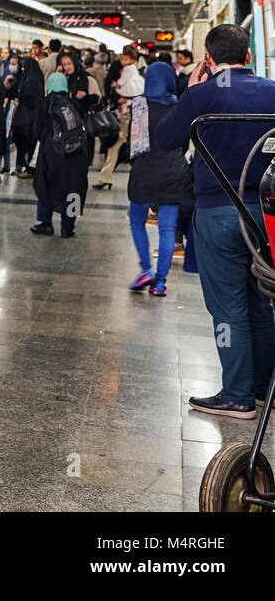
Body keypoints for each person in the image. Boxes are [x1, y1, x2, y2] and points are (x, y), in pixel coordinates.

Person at [156, 24, 275, 418]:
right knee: (261, 301)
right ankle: (263, 389)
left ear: (207, 59)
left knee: (228, 306)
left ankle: (237, 395)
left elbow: (165, 140)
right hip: (266, 213)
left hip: (218, 211)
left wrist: (190, 93)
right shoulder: (272, 92)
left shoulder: (201, 95)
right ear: (250, 56)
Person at [126, 61, 190, 298]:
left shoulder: (140, 106)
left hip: (144, 171)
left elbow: (133, 143)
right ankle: (160, 283)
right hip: (173, 172)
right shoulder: (179, 107)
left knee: (137, 221)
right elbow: (184, 143)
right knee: (166, 229)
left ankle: (146, 270)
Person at [30, 72, 88, 238]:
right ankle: (68, 227)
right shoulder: (73, 104)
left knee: (45, 185)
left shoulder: (45, 104)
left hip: (52, 153)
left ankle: (45, 223)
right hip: (77, 155)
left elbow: (37, 130)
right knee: (74, 188)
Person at [95, 45, 145, 189]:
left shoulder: (127, 71)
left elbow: (120, 87)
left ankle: (106, 177)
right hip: (129, 114)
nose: (123, 61)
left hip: (126, 114)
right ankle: (106, 177)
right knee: (120, 145)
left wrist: (122, 97)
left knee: (117, 145)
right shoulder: (136, 73)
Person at [11, 55, 44, 176]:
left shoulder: (30, 81)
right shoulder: (35, 78)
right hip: (29, 115)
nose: (22, 69)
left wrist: (20, 96)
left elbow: (27, 97)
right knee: (27, 142)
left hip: (28, 116)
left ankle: (29, 168)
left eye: (24, 67)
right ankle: (24, 166)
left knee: (28, 141)